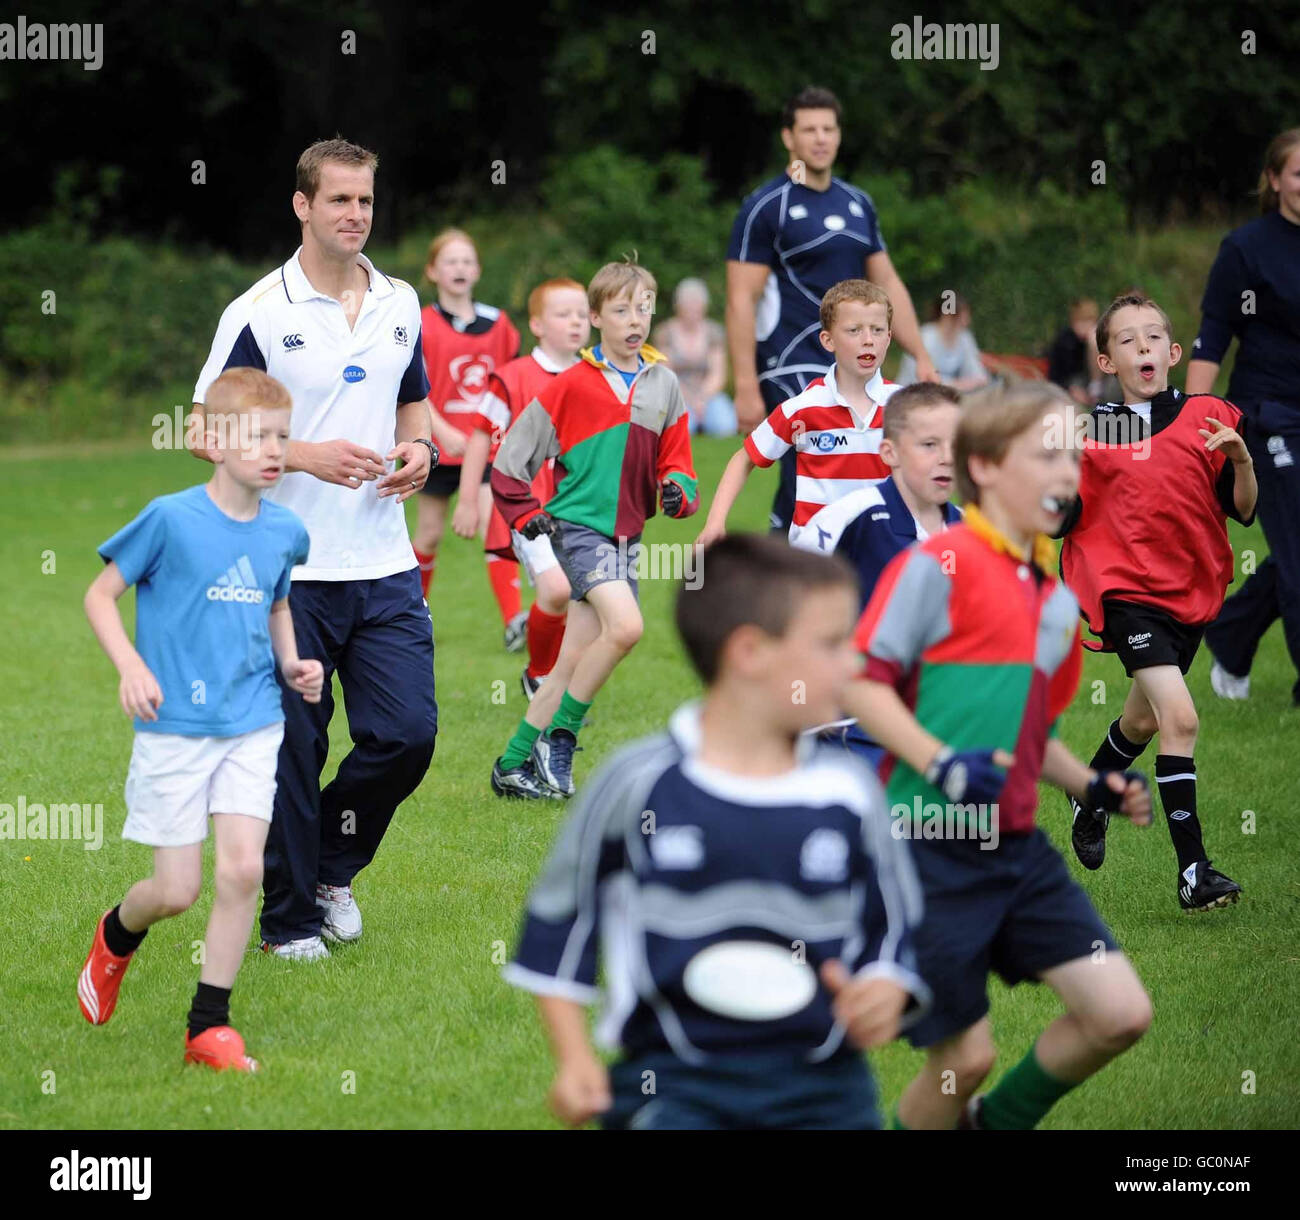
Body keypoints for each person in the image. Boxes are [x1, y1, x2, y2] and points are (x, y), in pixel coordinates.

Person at [503, 536, 930, 1130]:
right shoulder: (639, 785)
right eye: (833, 644)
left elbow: (895, 929)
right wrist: (576, 1062)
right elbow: (559, 923)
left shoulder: (851, 792)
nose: (854, 664)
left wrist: (886, 989)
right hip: (673, 1088)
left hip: (831, 1092)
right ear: (750, 652)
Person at [843, 381, 1156, 1130]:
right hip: (927, 847)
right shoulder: (934, 566)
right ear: (982, 465)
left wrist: (1091, 785)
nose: (1066, 474)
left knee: (1119, 1014)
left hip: (1018, 851)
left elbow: (1029, 732)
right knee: (964, 1059)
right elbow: (861, 685)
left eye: (1074, 457)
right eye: (1046, 455)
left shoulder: (1053, 598)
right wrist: (942, 761)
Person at [190, 138, 439, 961]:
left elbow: (415, 404)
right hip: (287, 576)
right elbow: (201, 429)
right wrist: (303, 455)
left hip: (386, 565)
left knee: (408, 735)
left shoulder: (402, 301)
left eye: (365, 201)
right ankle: (289, 923)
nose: (355, 215)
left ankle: (332, 868)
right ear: (303, 206)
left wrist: (421, 454)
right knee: (295, 750)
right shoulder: (259, 311)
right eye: (338, 200)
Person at [79, 369, 324, 1070]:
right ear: (214, 442)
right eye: (258, 438)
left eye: (283, 435)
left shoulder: (286, 530)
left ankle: (207, 1026)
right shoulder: (170, 518)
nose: (275, 451)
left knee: (244, 871)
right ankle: (117, 935)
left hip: (252, 720)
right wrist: (131, 665)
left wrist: (294, 664)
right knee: (176, 891)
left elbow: (276, 603)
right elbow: (100, 596)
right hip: (176, 729)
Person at [1058, 294, 1254, 911]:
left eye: (1153, 338)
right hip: (1127, 594)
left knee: (1141, 722)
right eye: (1127, 340)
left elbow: (1243, 510)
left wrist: (1242, 459)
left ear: (1173, 353)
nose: (1142, 348)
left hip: (1189, 593)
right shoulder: (1098, 428)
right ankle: (1193, 872)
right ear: (1107, 360)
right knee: (1182, 720)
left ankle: (1091, 798)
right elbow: (1061, 515)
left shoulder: (1207, 415)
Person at [489, 256, 698, 799]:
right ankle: (562, 736)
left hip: (626, 534)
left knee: (570, 663)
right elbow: (511, 460)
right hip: (577, 529)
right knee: (626, 629)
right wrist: (522, 512)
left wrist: (678, 491)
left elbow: (680, 462)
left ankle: (511, 765)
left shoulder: (664, 384)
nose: (635, 320)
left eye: (644, 310)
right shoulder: (571, 385)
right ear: (597, 318)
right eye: (622, 309)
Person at [726, 85, 936, 534]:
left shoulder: (858, 203)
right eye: (809, 129)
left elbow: (888, 281)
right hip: (787, 358)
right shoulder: (765, 206)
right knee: (807, 452)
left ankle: (848, 556)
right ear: (789, 138)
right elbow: (741, 297)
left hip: (852, 353)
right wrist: (744, 382)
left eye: (828, 128)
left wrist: (920, 352)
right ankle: (793, 557)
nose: (820, 138)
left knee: (863, 460)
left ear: (839, 136)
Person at [794, 382, 963, 767]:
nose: (947, 458)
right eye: (929, 445)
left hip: (936, 724)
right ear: (889, 452)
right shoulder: (853, 517)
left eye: (957, 444)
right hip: (851, 726)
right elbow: (785, 603)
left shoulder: (968, 532)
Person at [1189, 128, 1300, 706]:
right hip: (1270, 416)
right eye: (1299, 174)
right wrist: (1187, 428)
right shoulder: (1246, 249)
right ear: (1275, 180)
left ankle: (1231, 635)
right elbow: (1211, 341)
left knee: (1294, 551)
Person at [697, 280, 898, 550]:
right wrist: (715, 523)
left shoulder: (904, 407)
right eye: (854, 330)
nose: (868, 340)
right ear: (828, 340)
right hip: (816, 559)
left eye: (877, 330)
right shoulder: (802, 408)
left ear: (889, 337)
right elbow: (744, 458)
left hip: (883, 551)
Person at [469, 278, 589, 699]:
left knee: (580, 604)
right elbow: (481, 436)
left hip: (581, 509)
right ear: (536, 325)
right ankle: (540, 674)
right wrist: (469, 500)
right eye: (563, 314)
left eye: (581, 313)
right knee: (556, 590)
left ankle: (556, 687)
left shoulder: (597, 375)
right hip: (528, 507)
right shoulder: (511, 377)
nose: (575, 322)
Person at [413, 228, 525, 648]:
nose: (459, 268)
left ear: (477, 270)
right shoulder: (420, 323)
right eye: (450, 261)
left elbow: (514, 384)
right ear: (433, 272)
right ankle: (412, 617)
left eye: (466, 261)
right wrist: (442, 431)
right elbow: (413, 388)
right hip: (439, 446)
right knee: (429, 534)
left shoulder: (500, 325)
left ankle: (515, 620)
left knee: (494, 526)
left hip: (489, 447)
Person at [650, 278, 736, 435]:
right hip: (676, 394)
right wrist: (690, 399)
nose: (692, 309)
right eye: (688, 304)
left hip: (708, 395)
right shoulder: (664, 333)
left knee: (725, 426)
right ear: (678, 306)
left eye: (697, 303)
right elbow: (666, 375)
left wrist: (701, 399)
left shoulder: (714, 332)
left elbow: (718, 374)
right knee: (681, 429)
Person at [896, 294, 989, 390]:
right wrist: (958, 384)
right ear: (947, 315)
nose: (967, 320)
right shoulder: (925, 338)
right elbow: (918, 380)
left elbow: (979, 374)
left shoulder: (964, 337)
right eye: (962, 315)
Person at [1047, 297, 1107, 406]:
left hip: (1101, 379)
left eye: (1087, 321)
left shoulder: (1101, 337)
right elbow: (1055, 374)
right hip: (1073, 382)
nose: (1082, 326)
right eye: (1079, 321)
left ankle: (1096, 388)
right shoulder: (1065, 340)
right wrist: (1070, 389)